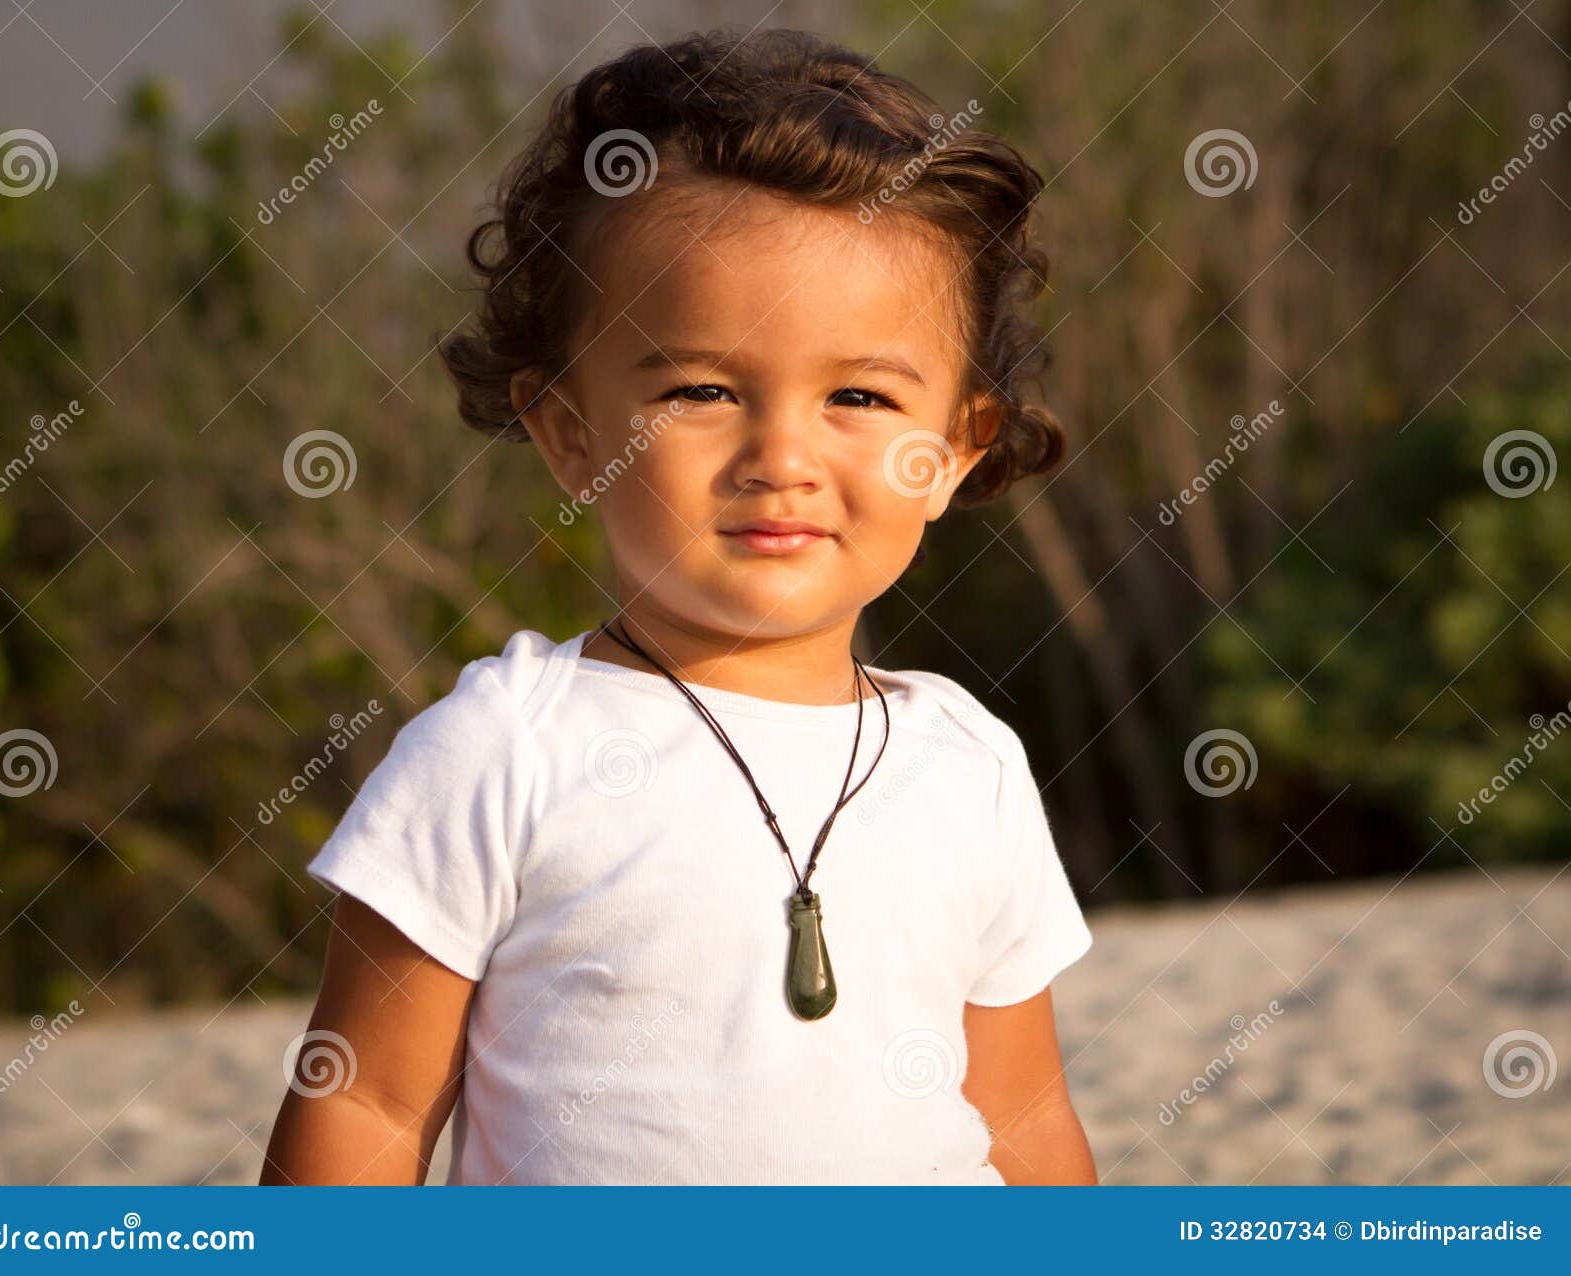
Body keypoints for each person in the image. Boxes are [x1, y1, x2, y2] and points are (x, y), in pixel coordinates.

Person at [261, 26, 1094, 1187]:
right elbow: (367, 1106)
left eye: (857, 394)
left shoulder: (973, 763)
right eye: (702, 389)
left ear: (956, 449)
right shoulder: (503, 749)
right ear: (569, 433)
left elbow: (1024, 1120)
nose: (782, 457)